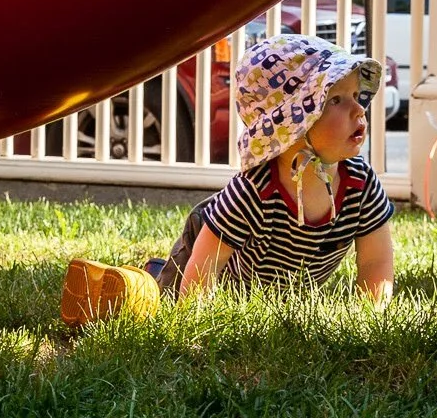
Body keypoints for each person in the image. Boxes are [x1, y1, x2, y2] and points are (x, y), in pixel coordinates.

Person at [151, 33, 397, 302]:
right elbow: (205, 264)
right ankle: (151, 274)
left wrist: (370, 314)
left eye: (354, 95)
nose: (359, 109)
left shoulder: (361, 184)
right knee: (158, 295)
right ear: (290, 127)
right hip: (202, 260)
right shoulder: (254, 190)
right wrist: (196, 322)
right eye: (335, 100)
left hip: (285, 294)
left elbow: (376, 261)